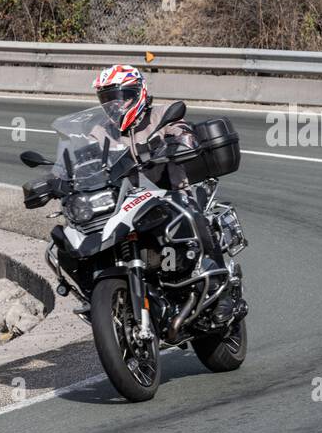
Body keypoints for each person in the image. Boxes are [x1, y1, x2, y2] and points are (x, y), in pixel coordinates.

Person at [91, 65, 240, 323]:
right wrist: (63, 177)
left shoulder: (162, 115)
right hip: (125, 203)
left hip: (171, 193)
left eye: (121, 97)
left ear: (138, 93)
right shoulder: (100, 131)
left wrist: (179, 141)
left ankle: (220, 289)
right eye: (108, 100)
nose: (116, 105)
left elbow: (183, 131)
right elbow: (84, 157)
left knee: (192, 215)